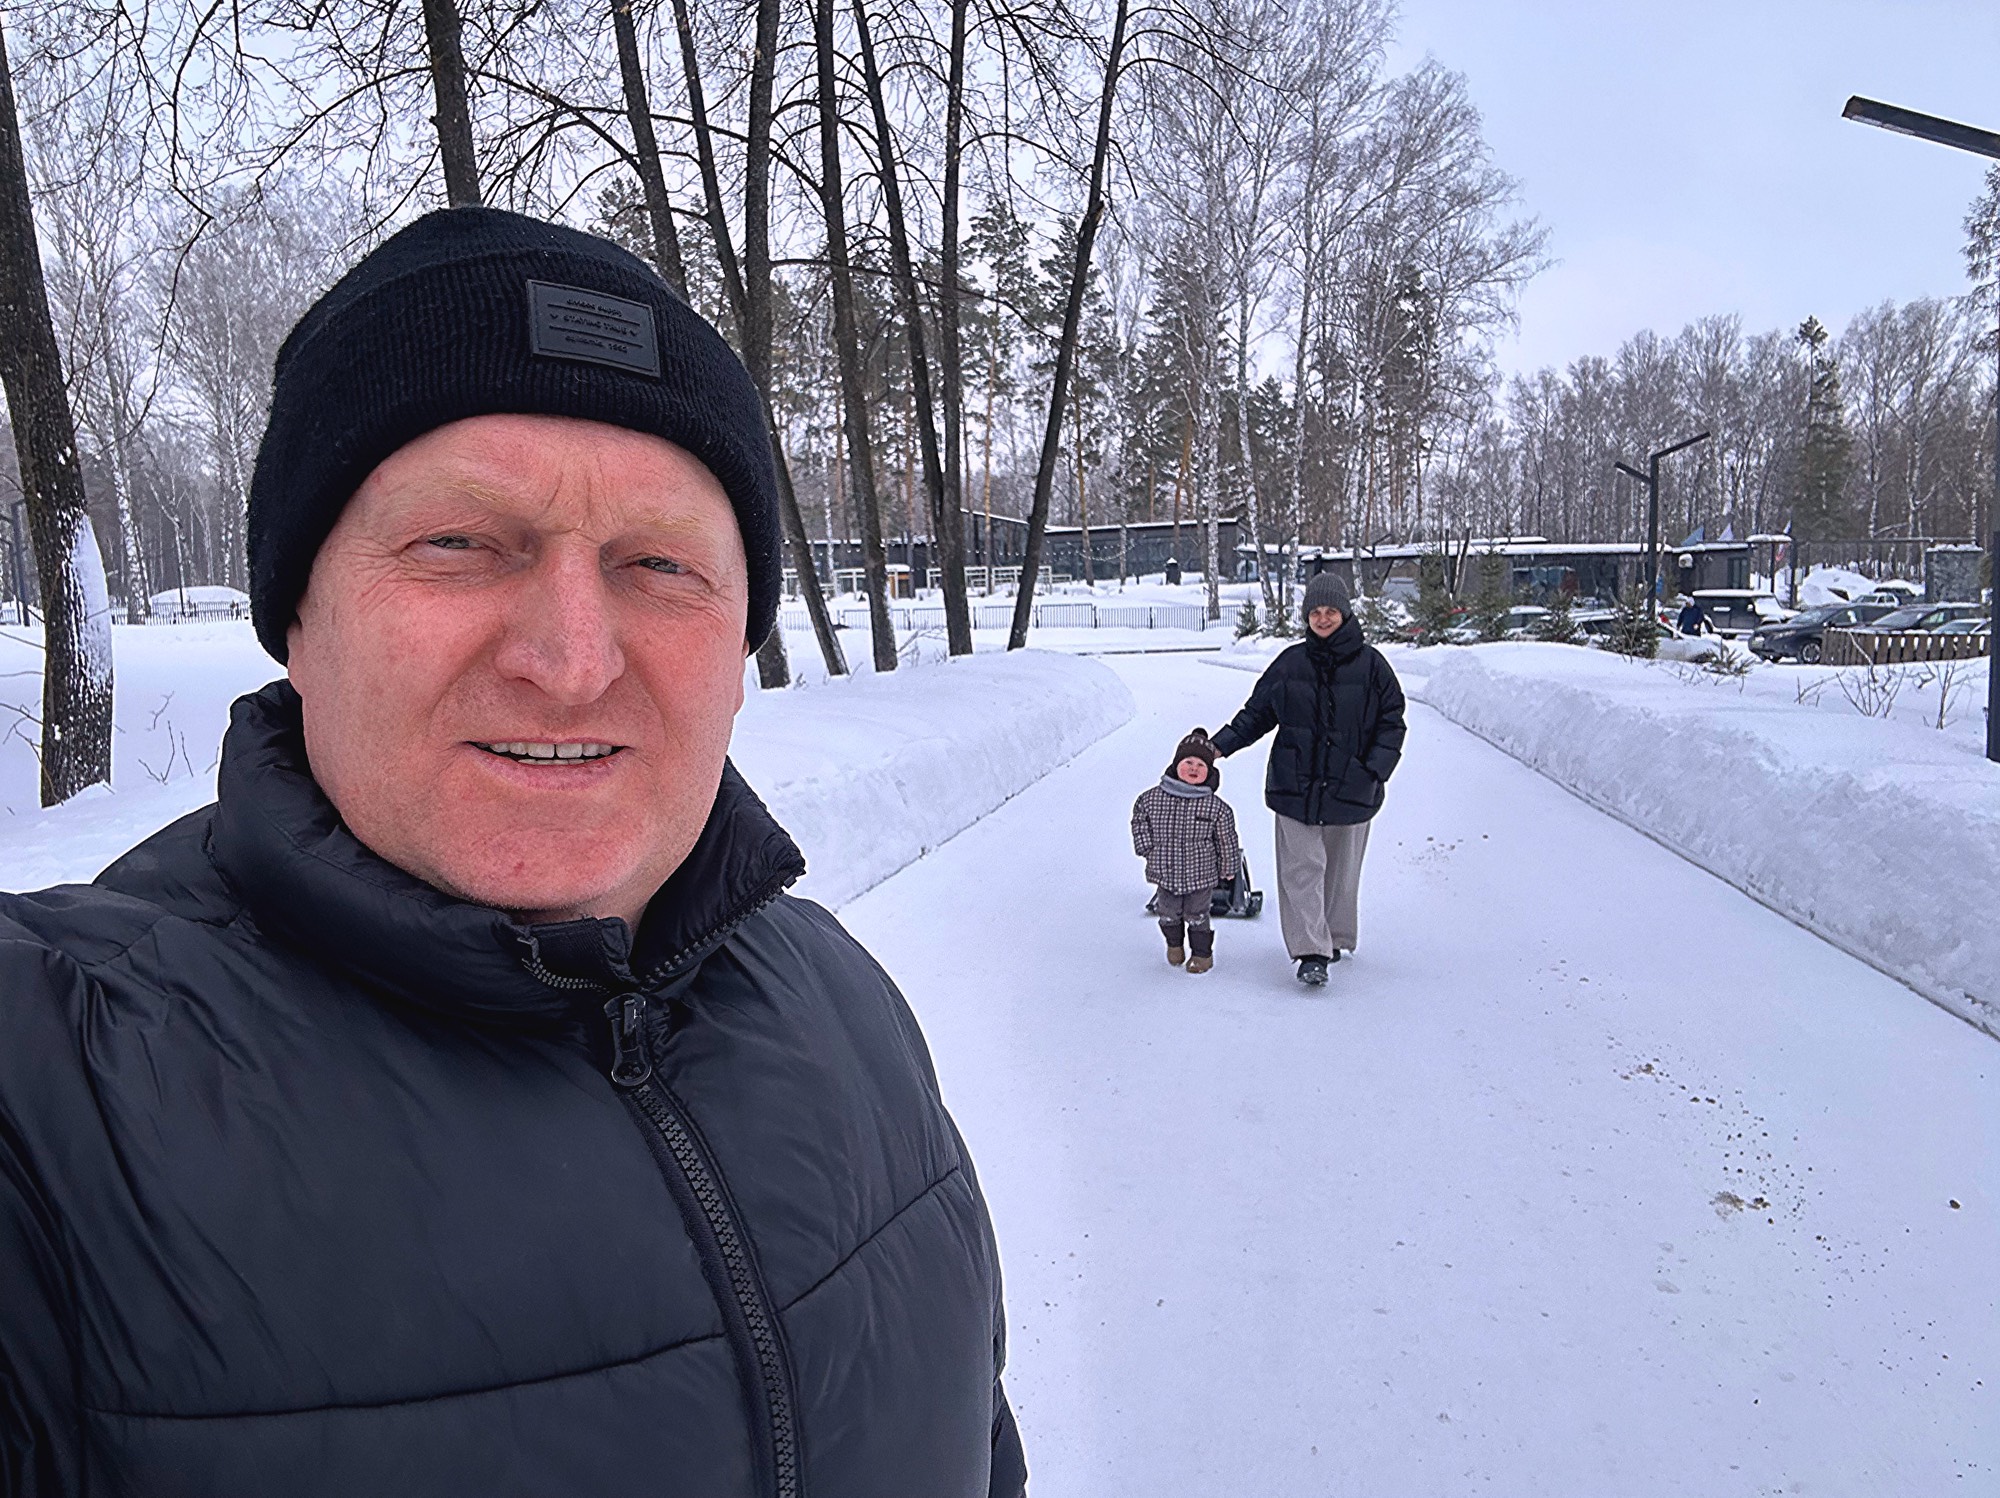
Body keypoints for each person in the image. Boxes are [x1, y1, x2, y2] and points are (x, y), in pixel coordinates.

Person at [0, 209, 1025, 1498]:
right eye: (460, 545)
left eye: (658, 564)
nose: (572, 658)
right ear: (297, 620)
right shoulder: (58, 1081)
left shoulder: (843, 998)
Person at [1209, 572, 1406, 987]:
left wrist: (1373, 770)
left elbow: (1392, 721)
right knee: (1301, 867)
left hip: (1352, 785)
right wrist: (1216, 747)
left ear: (1345, 613)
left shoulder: (1373, 666)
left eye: (1330, 611)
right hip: (1294, 784)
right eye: (1315, 612)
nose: (1322, 618)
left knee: (1339, 869)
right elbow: (1257, 714)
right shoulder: (1291, 663)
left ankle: (1333, 937)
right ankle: (1310, 951)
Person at [1131, 730, 1242, 974]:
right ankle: (1174, 945)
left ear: (1209, 772)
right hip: (1165, 871)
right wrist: (1146, 847)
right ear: (1176, 764)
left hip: (1200, 875)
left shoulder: (1217, 808)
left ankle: (1202, 955)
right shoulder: (1150, 799)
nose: (1193, 768)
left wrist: (1229, 868)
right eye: (1188, 762)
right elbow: (1140, 821)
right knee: (1168, 912)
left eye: (1200, 764)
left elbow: (1227, 840)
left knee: (1197, 914)